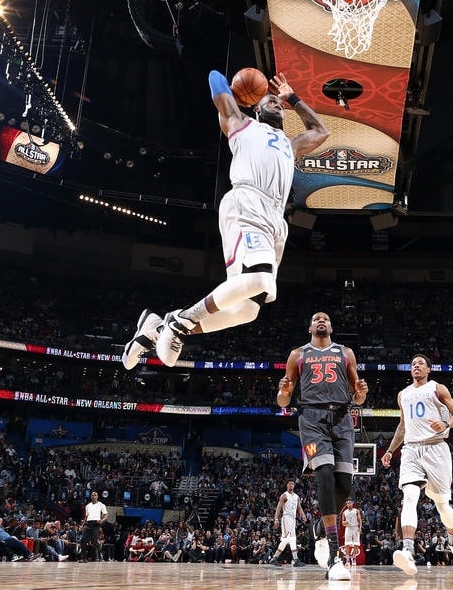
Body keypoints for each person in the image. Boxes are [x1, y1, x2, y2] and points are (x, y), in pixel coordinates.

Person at [121, 70, 331, 370]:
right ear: (254, 108)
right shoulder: (240, 123)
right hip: (246, 202)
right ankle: (182, 321)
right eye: (267, 101)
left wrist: (292, 97)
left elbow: (321, 130)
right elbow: (214, 77)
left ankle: (157, 327)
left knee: (248, 309)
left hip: (275, 217)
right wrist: (242, 91)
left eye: (277, 103)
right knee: (259, 278)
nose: (274, 103)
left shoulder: (290, 144)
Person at [276, 311, 368, 581]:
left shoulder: (346, 353)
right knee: (325, 476)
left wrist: (361, 393)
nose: (320, 320)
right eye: (316, 318)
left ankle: (318, 527)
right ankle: (332, 555)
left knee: (345, 485)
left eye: (325, 318)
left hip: (342, 418)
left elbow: (359, 398)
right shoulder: (298, 354)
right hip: (312, 419)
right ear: (309, 327)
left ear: (331, 326)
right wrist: (283, 393)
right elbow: (283, 401)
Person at [380, 354, 453, 576]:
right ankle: (407, 550)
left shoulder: (437, 388)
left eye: (421, 363)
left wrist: (446, 422)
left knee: (442, 505)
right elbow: (402, 426)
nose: (416, 366)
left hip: (436, 447)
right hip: (410, 449)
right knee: (409, 496)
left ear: (428, 369)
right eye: (413, 364)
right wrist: (390, 450)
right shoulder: (403, 395)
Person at [270, 479, 306, 567]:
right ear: (287, 485)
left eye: (292, 484)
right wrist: (276, 519)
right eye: (289, 484)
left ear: (294, 486)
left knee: (286, 540)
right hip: (286, 518)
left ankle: (274, 558)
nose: (291, 485)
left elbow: (299, 508)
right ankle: (296, 560)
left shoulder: (296, 496)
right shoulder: (284, 496)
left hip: (293, 519)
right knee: (292, 538)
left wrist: (303, 515)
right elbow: (278, 508)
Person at [79, 491, 109, 562]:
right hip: (88, 524)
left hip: (96, 524)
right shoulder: (88, 506)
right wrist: (82, 525)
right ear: (91, 497)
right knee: (83, 540)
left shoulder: (101, 505)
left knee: (93, 541)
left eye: (95, 495)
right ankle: (84, 558)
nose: (93, 496)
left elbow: (106, 515)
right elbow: (86, 517)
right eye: (92, 495)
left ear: (97, 497)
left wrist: (102, 520)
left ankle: (100, 549)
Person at [340, 499, 363, 566]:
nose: (349, 504)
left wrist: (360, 528)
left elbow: (360, 520)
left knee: (356, 544)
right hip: (348, 528)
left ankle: (354, 559)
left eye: (350, 503)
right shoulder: (344, 512)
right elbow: (342, 522)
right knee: (347, 544)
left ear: (352, 503)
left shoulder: (356, 511)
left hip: (355, 528)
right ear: (346, 504)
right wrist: (344, 523)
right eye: (347, 503)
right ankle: (347, 560)